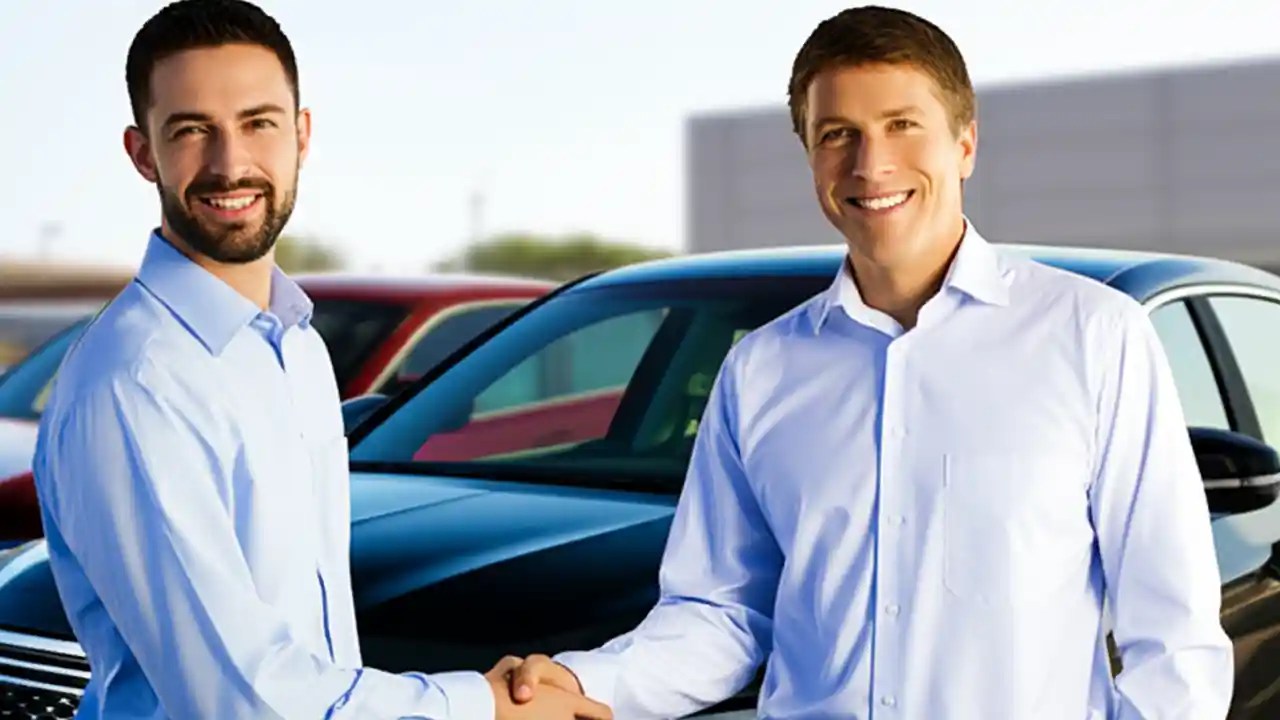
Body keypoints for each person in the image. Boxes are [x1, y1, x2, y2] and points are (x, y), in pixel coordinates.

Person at [501, 5, 1234, 719]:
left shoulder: (1095, 336)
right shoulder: (759, 370)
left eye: (902, 125)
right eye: (837, 133)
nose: (870, 163)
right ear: (811, 156)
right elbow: (719, 615)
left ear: (967, 144)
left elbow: (1174, 642)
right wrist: (575, 680)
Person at [30, 1, 613, 718]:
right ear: (142, 152)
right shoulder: (137, 379)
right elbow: (238, 697)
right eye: (191, 130)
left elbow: (308, 654)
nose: (230, 163)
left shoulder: (295, 345)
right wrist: (481, 707)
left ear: (301, 135)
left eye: (258, 123)